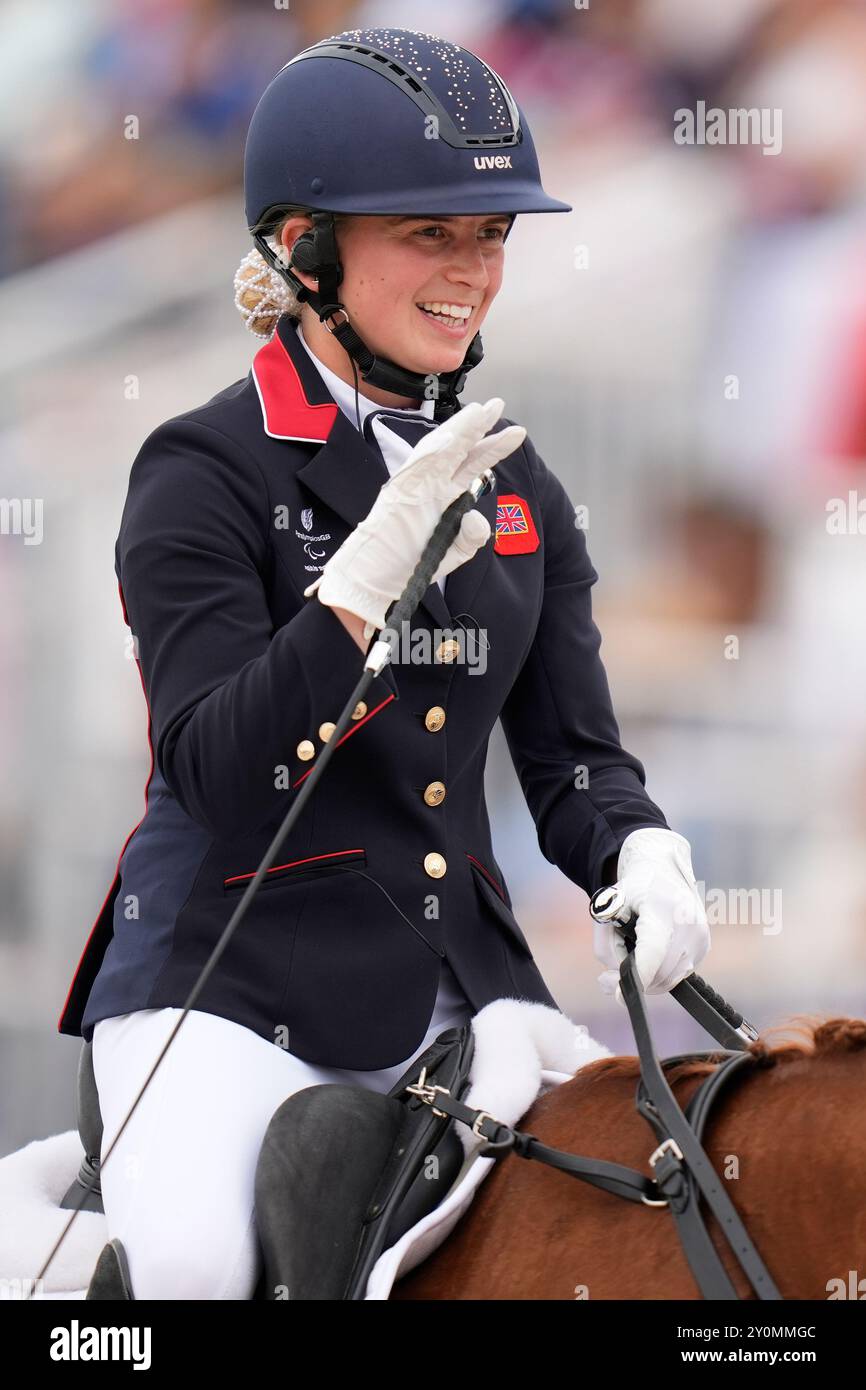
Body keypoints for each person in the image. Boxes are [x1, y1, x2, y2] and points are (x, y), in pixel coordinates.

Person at [55, 27, 710, 1300]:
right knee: (190, 1270)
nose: (473, 271)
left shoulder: (515, 484)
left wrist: (637, 847)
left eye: (491, 236)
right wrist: (356, 585)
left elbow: (573, 760)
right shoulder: (202, 470)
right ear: (305, 249)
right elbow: (221, 769)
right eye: (430, 234)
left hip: (459, 987)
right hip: (228, 985)